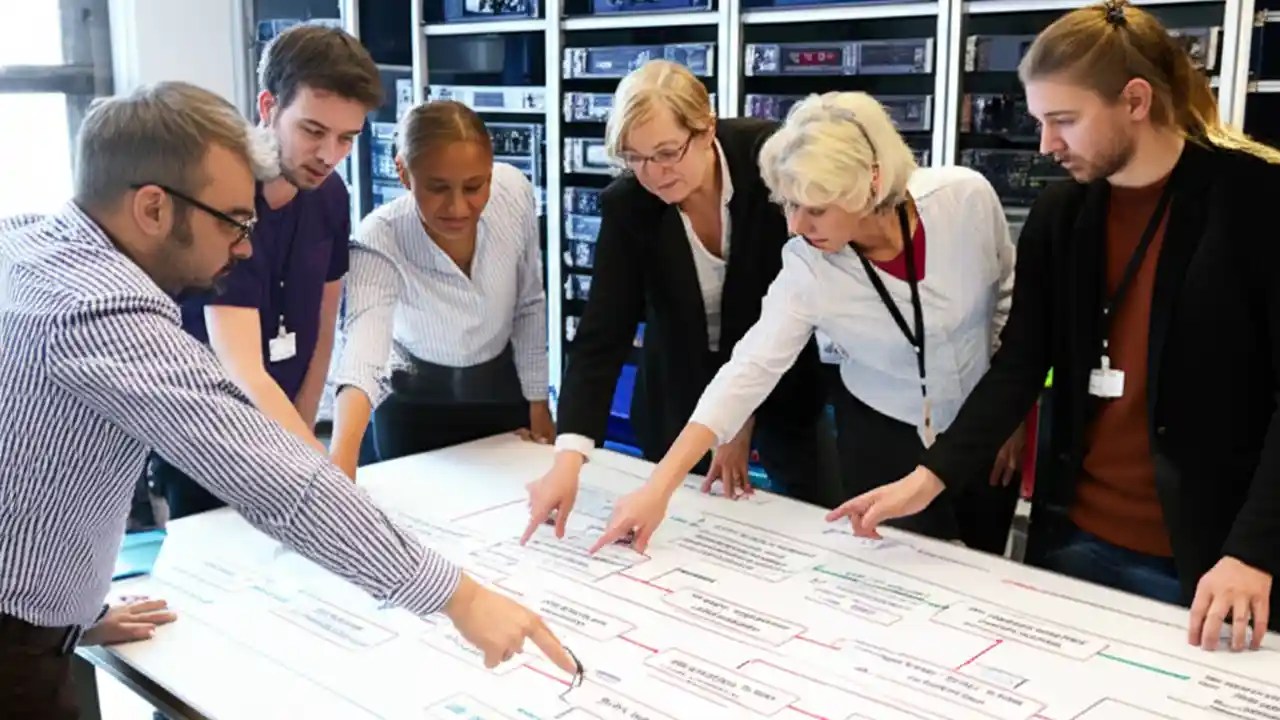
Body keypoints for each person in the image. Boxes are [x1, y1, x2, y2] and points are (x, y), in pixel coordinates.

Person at [0, 81, 574, 720]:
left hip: (41, 612)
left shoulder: (26, 241)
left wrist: (81, 613)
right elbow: (275, 480)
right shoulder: (100, 314)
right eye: (233, 221)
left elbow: (35, 467)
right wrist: (462, 600)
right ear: (154, 208)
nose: (244, 246)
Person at [834, 0, 1280, 651]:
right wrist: (927, 478)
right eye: (1041, 121)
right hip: (1071, 539)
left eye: (1064, 121)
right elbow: (1020, 364)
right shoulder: (1062, 211)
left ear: (1135, 100)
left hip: (1211, 563)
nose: (1046, 144)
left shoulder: (1255, 202)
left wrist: (1255, 550)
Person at [586, 92, 1024, 556]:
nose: (795, 225)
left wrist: (1011, 413)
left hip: (983, 422)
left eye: (814, 208)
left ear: (870, 184)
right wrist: (659, 488)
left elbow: (1009, 307)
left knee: (985, 560)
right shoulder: (807, 264)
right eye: (788, 205)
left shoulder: (964, 199)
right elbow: (749, 368)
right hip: (884, 433)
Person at [523, 60, 839, 541]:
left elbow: (795, 307)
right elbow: (600, 338)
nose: (654, 173)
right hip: (679, 390)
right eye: (635, 157)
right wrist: (568, 458)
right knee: (679, 533)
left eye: (667, 152)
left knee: (810, 519)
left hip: (785, 383)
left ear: (706, 126)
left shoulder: (770, 164)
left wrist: (738, 418)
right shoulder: (629, 204)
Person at [150, 22, 374, 518]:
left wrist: (304, 437)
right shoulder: (224, 199)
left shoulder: (332, 197)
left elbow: (321, 333)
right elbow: (241, 366)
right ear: (268, 107)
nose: (329, 156)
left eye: (347, 138)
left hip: (285, 432)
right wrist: (317, 472)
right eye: (313, 131)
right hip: (206, 438)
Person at [328, 100, 552, 476]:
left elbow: (529, 302)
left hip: (500, 392)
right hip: (414, 405)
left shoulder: (514, 193)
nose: (458, 207)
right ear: (404, 173)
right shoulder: (380, 235)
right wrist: (341, 461)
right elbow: (365, 349)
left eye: (474, 186)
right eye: (437, 188)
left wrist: (538, 402)